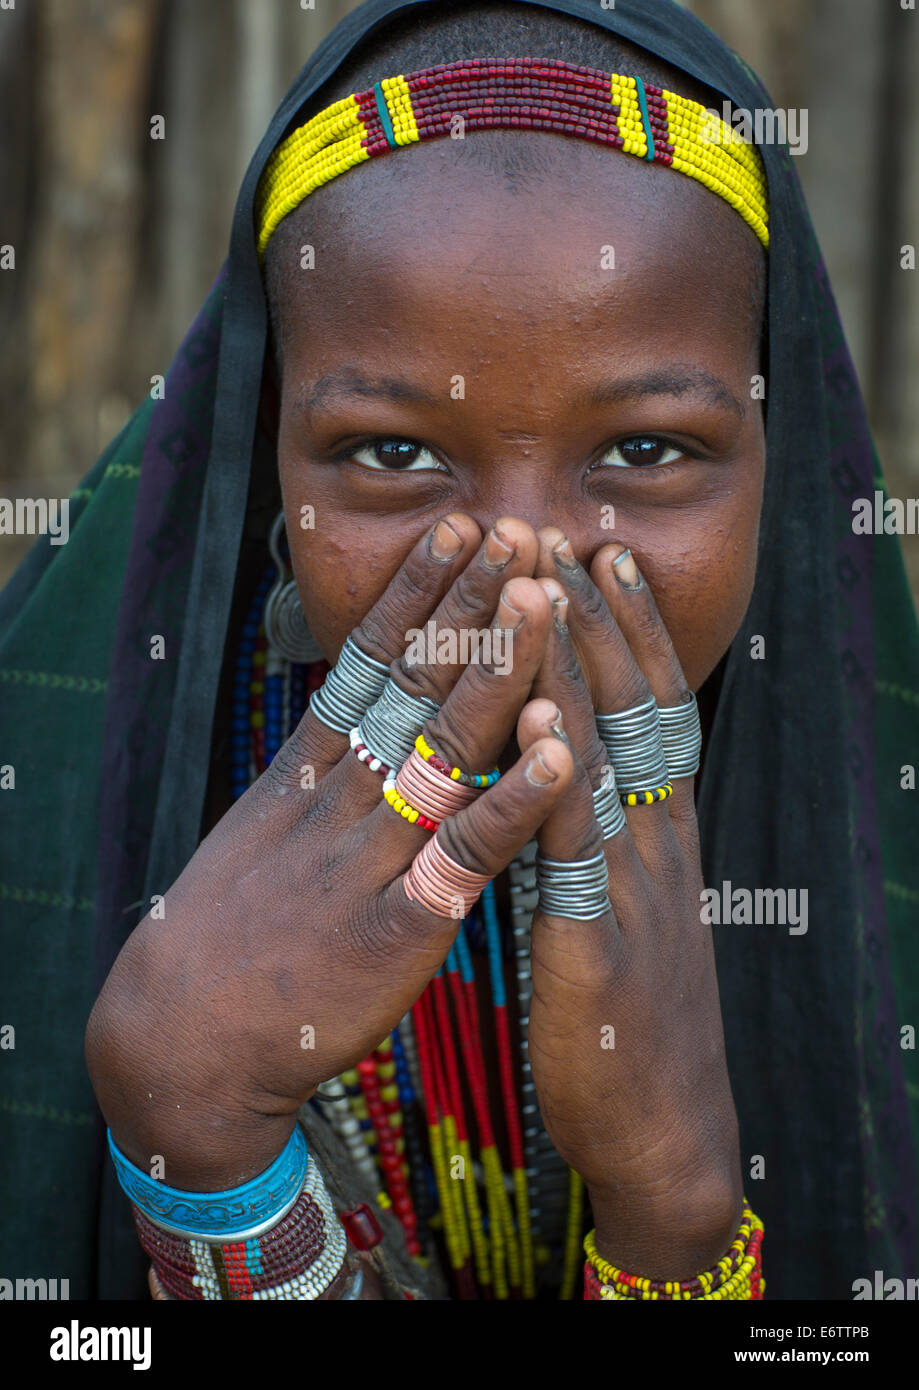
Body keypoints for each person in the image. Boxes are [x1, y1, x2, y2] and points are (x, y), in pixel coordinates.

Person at [1, 0, 916, 1302]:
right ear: (268, 456)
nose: (526, 577)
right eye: (394, 453)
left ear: (779, 462)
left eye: (646, 450)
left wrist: (676, 1205)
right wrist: (194, 1120)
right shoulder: (39, 828)